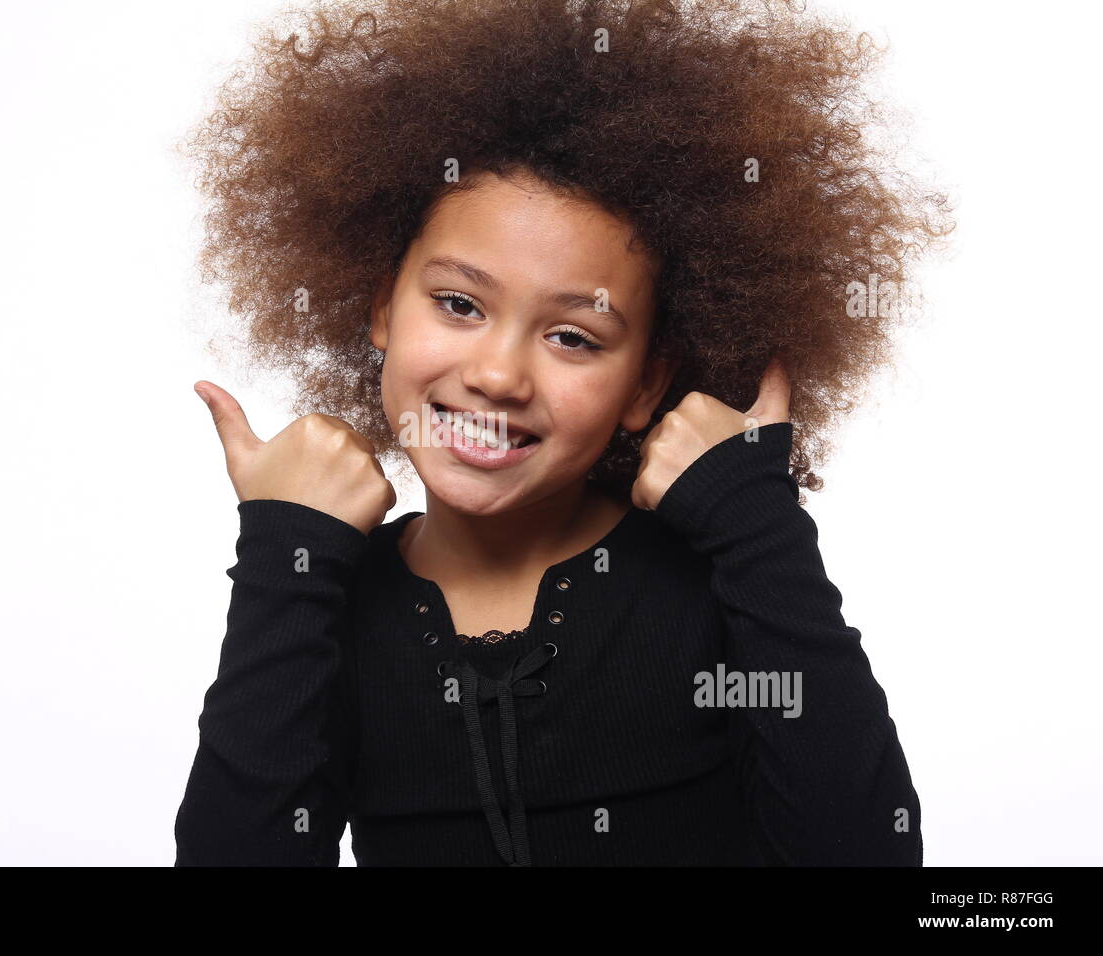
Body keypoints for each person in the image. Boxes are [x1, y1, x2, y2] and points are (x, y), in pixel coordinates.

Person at [173, 0, 952, 866]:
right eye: (459, 303)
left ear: (648, 382)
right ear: (378, 307)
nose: (500, 375)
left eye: (573, 336)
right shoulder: (328, 613)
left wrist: (759, 526)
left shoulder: (716, 591)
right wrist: (286, 564)